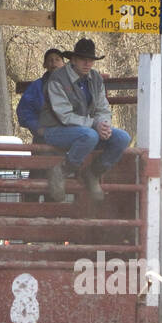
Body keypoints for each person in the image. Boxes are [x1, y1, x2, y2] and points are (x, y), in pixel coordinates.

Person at [38, 37, 132, 202]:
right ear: (73, 59)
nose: (87, 63)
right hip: (54, 129)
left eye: (91, 60)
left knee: (122, 138)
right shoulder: (57, 79)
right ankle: (61, 171)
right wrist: (95, 125)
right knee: (90, 136)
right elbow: (65, 116)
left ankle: (93, 172)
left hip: (86, 129)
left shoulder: (96, 78)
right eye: (83, 59)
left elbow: (103, 107)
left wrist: (104, 124)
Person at [16, 48, 66, 143]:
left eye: (57, 60)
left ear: (64, 64)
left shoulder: (73, 84)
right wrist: (37, 128)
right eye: (50, 60)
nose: (54, 63)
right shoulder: (37, 86)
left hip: (70, 133)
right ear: (44, 65)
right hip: (45, 136)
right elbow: (24, 110)